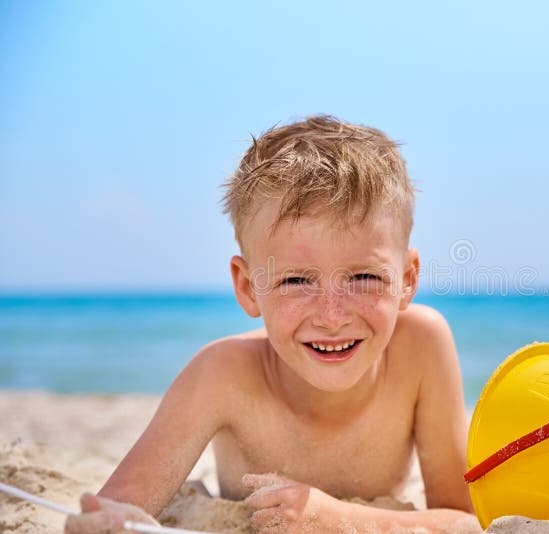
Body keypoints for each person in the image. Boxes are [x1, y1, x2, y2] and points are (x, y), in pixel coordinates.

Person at [65, 115, 481, 533]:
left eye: (363, 277)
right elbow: (116, 510)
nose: (332, 316)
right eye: (296, 281)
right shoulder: (221, 375)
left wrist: (335, 518)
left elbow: (464, 520)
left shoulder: (421, 347)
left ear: (407, 279)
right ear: (248, 287)